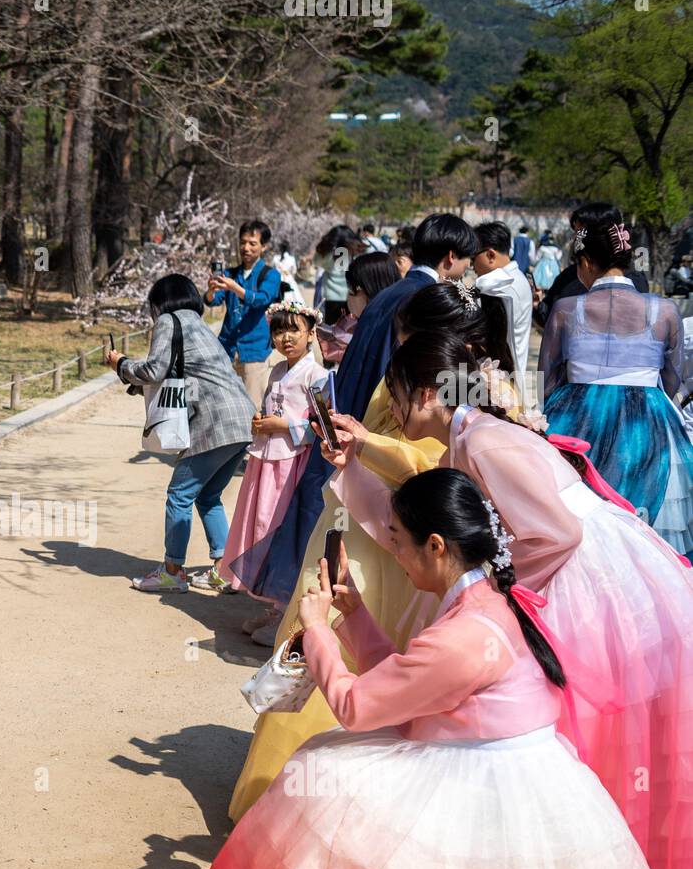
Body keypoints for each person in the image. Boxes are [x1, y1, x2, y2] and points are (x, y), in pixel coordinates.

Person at [192, 468, 693, 869]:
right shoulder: (491, 599)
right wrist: (353, 617)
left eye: (398, 539)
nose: (392, 551)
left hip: (478, 774)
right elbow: (407, 687)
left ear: (436, 545)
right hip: (508, 769)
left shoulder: (465, 633)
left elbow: (356, 707)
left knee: (324, 771)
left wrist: (316, 626)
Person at [324, 329, 693, 869]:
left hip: (583, 582)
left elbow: (558, 532)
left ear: (428, 393)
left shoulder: (484, 442)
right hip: (585, 570)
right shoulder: (472, 436)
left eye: (400, 397)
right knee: (592, 739)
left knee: (587, 737)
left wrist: (495, 587)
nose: (397, 411)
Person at [244, 213, 477, 609]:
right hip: (392, 426)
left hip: (362, 414)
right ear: (451, 256)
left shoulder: (392, 293)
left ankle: (296, 616)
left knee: (334, 525)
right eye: (466, 261)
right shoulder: (421, 298)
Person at [539, 202, 693, 554]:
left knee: (584, 516)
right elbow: (672, 381)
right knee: (646, 522)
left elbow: (544, 380)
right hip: (648, 423)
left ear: (588, 263)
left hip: (577, 419)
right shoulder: (665, 310)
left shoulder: (566, 310)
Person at [108, 274, 255, 593]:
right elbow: (177, 374)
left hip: (213, 421)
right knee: (208, 495)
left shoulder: (167, 321)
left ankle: (173, 570)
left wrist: (120, 364)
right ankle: (223, 569)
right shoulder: (199, 326)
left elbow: (154, 371)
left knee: (179, 494)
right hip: (242, 419)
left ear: (158, 304)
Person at [219, 298, 327, 615]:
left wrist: (285, 425)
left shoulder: (317, 375)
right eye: (279, 332)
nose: (286, 338)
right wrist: (261, 421)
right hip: (265, 462)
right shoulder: (277, 370)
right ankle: (270, 608)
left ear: (310, 333)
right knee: (260, 525)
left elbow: (322, 426)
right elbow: (270, 408)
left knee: (280, 526)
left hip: (293, 463)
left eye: (294, 330)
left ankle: (284, 610)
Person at [206, 219, 283, 406]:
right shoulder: (230, 274)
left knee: (252, 407)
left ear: (263, 247)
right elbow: (213, 301)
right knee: (225, 405)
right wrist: (210, 290)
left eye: (252, 243)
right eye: (242, 242)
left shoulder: (270, 275)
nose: (246, 248)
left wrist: (235, 288)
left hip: (254, 351)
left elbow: (262, 299)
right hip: (226, 349)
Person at [473, 221, 535, 406]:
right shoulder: (518, 278)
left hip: (501, 379)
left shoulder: (498, 284)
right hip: (511, 376)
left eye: (473, 257)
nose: (471, 265)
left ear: (490, 254)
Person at [313, 225, 364, 327]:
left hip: (330, 297)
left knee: (331, 332)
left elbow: (316, 261)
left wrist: (325, 246)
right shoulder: (353, 253)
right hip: (350, 297)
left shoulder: (328, 254)